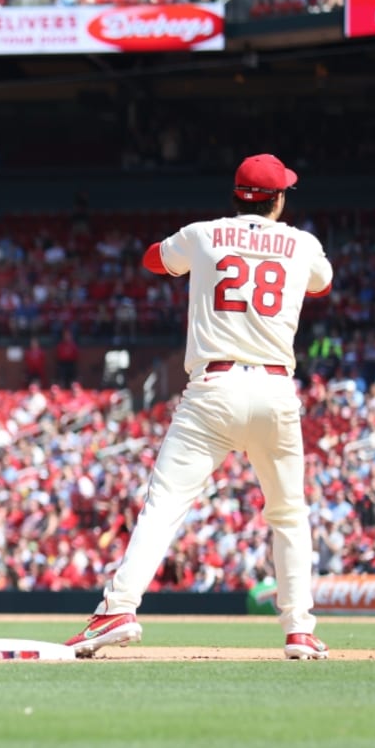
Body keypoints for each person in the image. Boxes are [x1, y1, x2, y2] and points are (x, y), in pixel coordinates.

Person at [68, 153, 333, 660]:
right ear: (278, 199)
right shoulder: (302, 244)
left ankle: (118, 607)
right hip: (276, 389)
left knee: (165, 505)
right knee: (288, 513)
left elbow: (152, 259)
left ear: (234, 194)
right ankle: (299, 629)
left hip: (213, 386)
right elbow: (322, 282)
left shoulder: (204, 234)